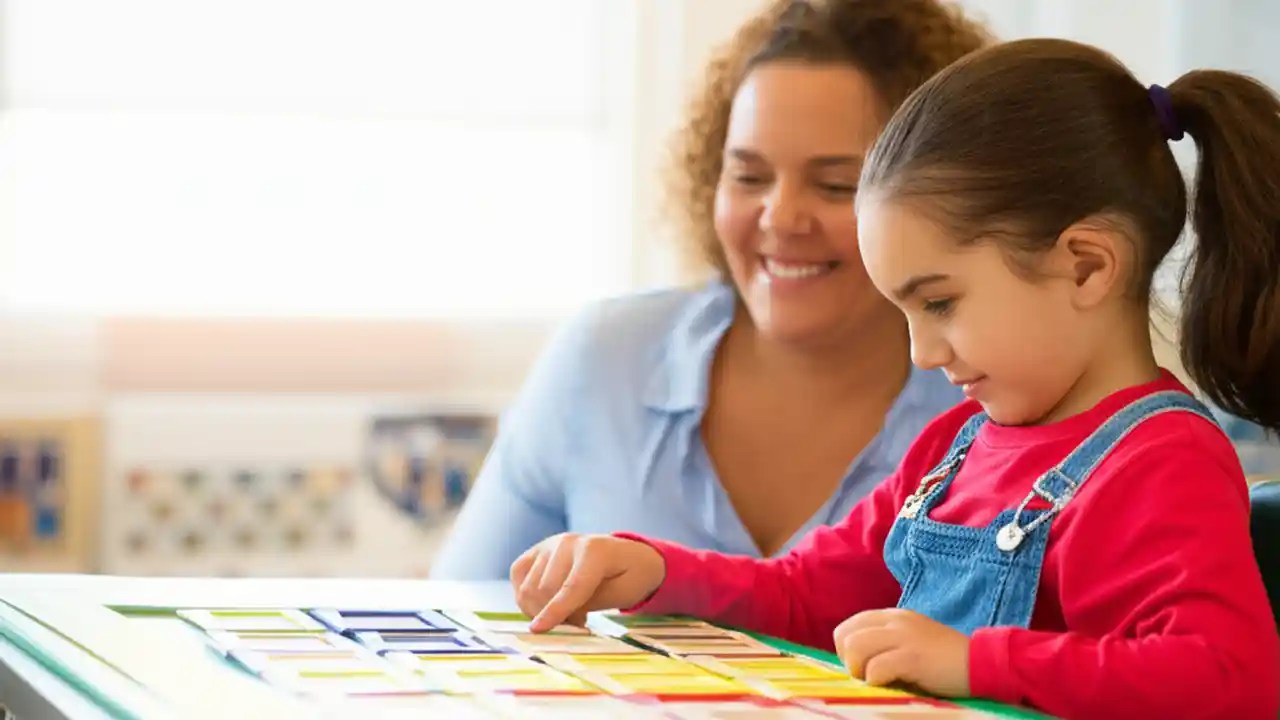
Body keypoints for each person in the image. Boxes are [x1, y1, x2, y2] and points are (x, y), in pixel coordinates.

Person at [510, 37, 1280, 720]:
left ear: (1086, 266)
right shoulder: (955, 448)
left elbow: (1230, 679)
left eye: (939, 303)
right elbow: (805, 596)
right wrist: (656, 570)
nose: (922, 353)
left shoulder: (1161, 463)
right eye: (904, 311)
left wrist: (976, 663)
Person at [431, 0, 989, 579]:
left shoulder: (995, 398)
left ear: (943, 197)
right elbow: (459, 605)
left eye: (835, 185)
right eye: (749, 176)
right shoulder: (604, 361)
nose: (780, 217)